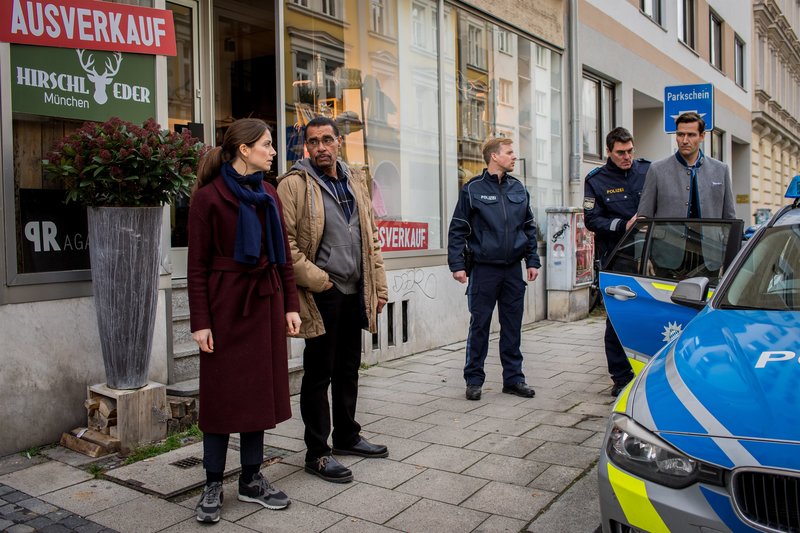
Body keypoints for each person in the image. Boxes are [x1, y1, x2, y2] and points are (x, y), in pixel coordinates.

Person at [187, 118, 301, 523]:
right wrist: (200, 321)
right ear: (244, 150)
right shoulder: (208, 198)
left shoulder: (269, 193)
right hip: (224, 306)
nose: (273, 151)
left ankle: (251, 479)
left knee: (257, 395)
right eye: (267, 145)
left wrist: (291, 305)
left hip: (265, 303)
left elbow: (282, 255)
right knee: (220, 398)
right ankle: (212, 482)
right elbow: (196, 266)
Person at [276, 116, 389, 484]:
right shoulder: (293, 185)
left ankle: (346, 435)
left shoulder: (355, 179)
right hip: (323, 293)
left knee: (348, 369)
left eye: (327, 140)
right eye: (313, 142)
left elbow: (371, 238)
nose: (321, 147)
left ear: (339, 142)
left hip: (356, 291)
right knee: (318, 374)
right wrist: (321, 281)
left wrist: (379, 287)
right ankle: (317, 453)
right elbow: (286, 245)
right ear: (305, 147)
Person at [447, 137, 540, 401]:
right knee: (480, 326)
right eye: (509, 153)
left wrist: (532, 260)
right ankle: (474, 380)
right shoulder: (472, 189)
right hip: (484, 270)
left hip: (513, 270)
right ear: (494, 157)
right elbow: (458, 230)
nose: (514, 157)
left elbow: (529, 227)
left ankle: (514, 379)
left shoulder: (518, 189)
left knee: (512, 327)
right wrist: (457, 265)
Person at [583, 127, 649, 396]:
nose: (627, 157)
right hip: (616, 259)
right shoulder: (596, 180)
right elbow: (591, 220)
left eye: (630, 151)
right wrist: (623, 225)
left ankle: (646, 370)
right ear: (609, 152)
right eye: (621, 152)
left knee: (650, 314)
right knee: (617, 319)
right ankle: (621, 376)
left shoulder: (648, 171)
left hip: (650, 259)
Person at [638, 111, 735, 219]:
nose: (685, 140)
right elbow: (644, 216)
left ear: (702, 136)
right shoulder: (657, 170)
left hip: (709, 236)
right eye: (680, 134)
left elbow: (729, 217)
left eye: (691, 135)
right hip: (670, 236)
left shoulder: (721, 170)